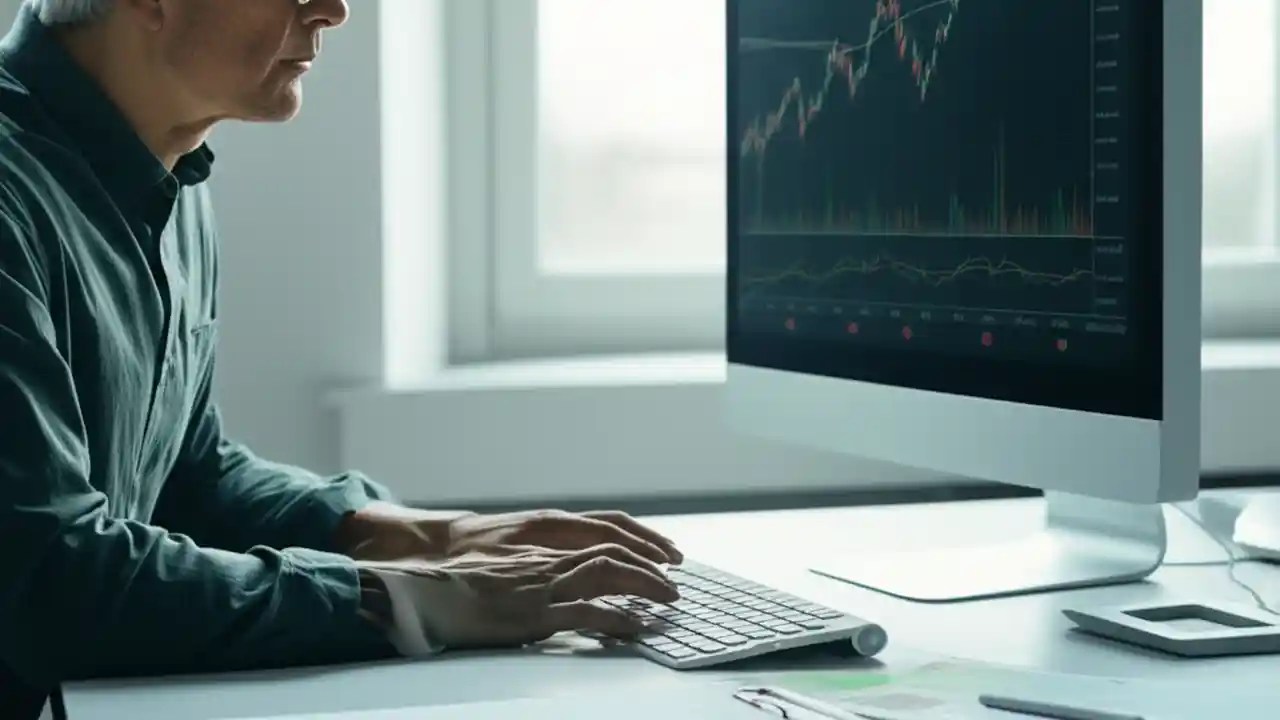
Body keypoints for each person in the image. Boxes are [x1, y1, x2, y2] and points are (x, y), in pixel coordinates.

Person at [0, 1, 681, 716]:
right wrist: (410, 602)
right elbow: (51, 582)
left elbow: (186, 478)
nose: (332, 10)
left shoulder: (164, 175)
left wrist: (429, 537)